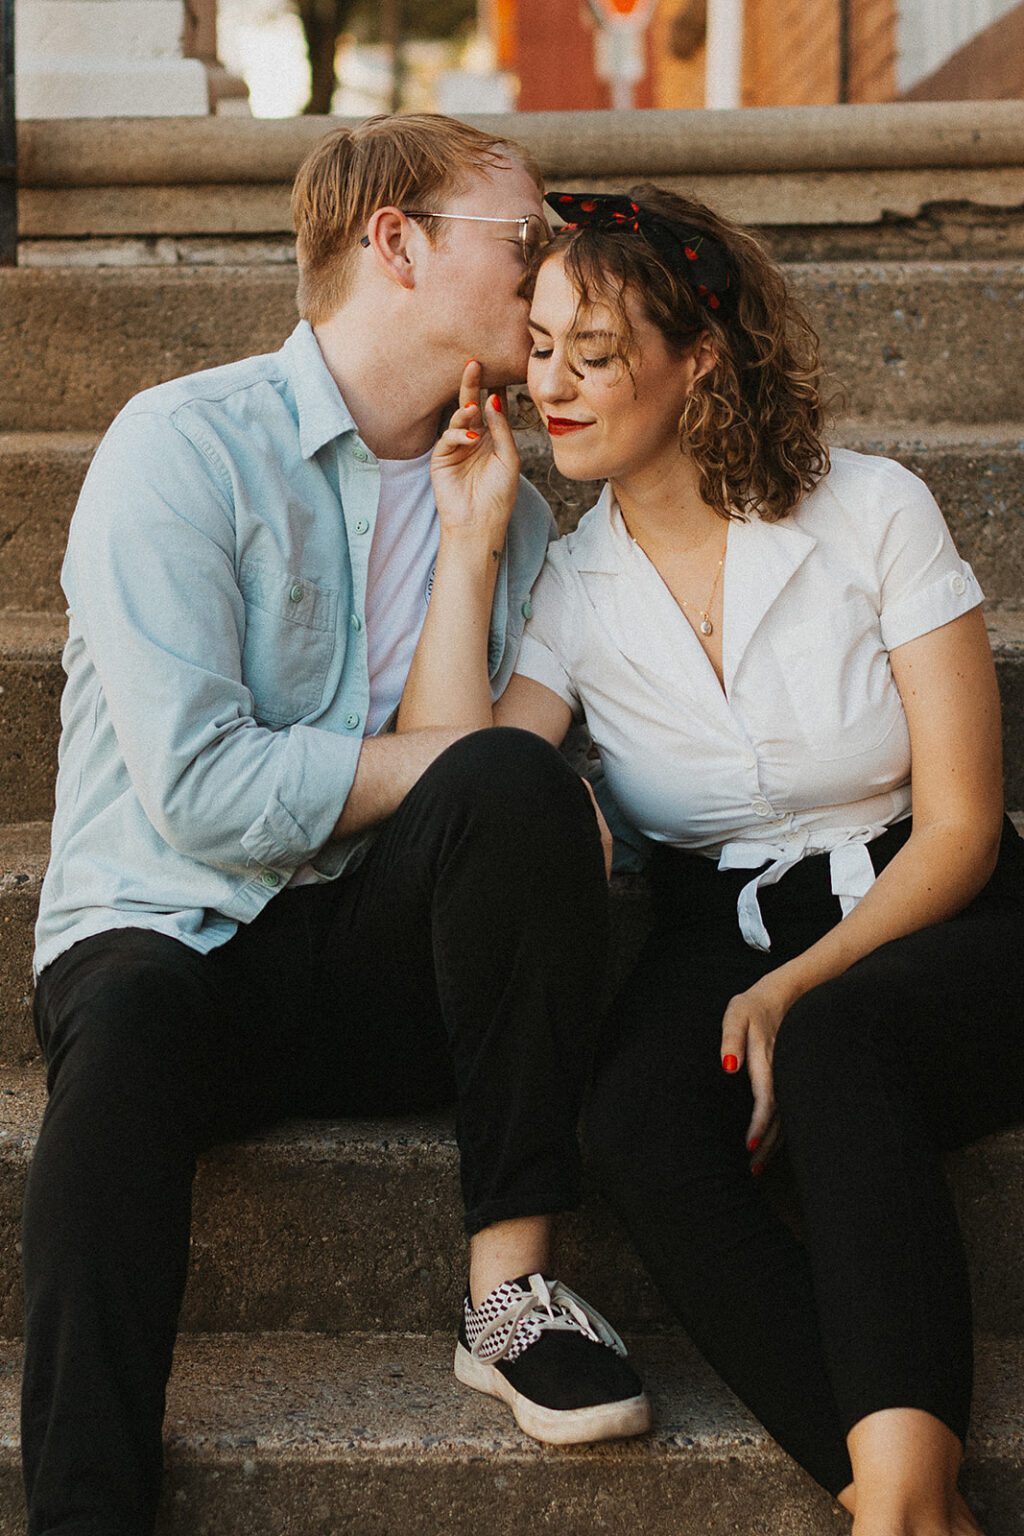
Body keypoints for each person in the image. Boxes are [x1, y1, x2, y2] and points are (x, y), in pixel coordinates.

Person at [22, 118, 652, 1536]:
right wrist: (470, 776)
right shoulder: (183, 448)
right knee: (119, 1054)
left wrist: (476, 544)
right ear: (398, 244)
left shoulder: (513, 508)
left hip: (377, 964)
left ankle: (508, 1300)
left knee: (511, 786)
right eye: (526, 236)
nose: (554, 270)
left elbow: (474, 794)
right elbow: (201, 791)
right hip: (172, 940)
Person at [398, 184, 1024, 1535]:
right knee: (630, 1120)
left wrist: (799, 987)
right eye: (542, 344)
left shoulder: (873, 515)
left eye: (595, 354)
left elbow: (967, 822)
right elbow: (469, 786)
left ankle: (906, 1505)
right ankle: (897, 1502)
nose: (548, 384)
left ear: (699, 362)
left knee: (846, 1044)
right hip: (718, 927)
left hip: (934, 904)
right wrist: (468, 539)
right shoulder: (574, 584)